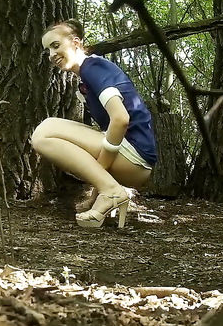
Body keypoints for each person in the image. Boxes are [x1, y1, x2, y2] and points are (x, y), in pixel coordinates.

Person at [31, 19, 157, 228]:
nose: (52, 55)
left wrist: (101, 180)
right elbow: (111, 133)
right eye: (48, 51)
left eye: (56, 46)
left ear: (76, 43)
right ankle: (109, 192)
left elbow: (121, 119)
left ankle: (112, 192)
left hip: (136, 157)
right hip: (133, 157)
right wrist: (97, 187)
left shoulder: (93, 68)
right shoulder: (86, 78)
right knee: (49, 127)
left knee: (44, 133)